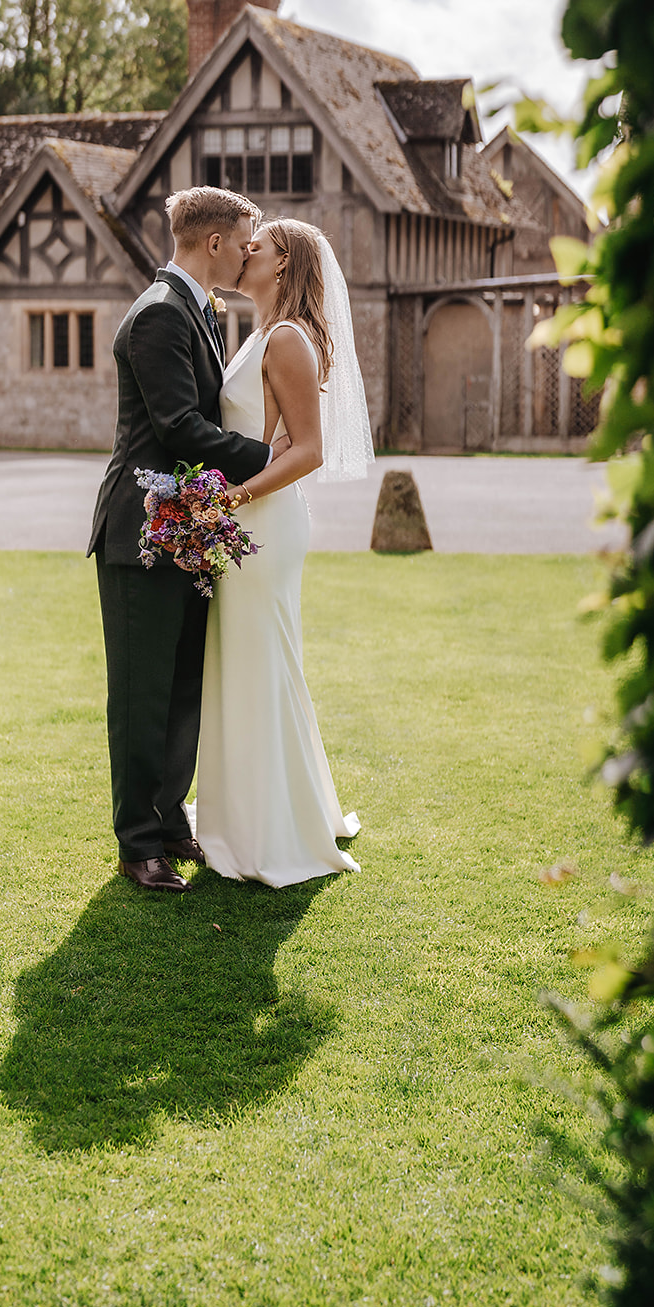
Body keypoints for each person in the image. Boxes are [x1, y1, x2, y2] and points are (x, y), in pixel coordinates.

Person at [88, 186, 283, 894]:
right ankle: (136, 843)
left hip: (188, 529)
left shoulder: (197, 309)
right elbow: (175, 428)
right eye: (242, 242)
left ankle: (170, 820)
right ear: (212, 244)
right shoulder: (159, 316)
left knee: (181, 688)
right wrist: (273, 459)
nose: (246, 253)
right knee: (141, 692)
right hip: (139, 533)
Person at [193, 218, 375, 886]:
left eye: (257, 247)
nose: (245, 251)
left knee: (260, 664)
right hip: (245, 521)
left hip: (262, 526)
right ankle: (248, 809)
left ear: (283, 266)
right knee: (251, 666)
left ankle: (271, 828)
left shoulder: (290, 340)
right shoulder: (258, 336)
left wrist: (231, 501)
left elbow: (307, 449)